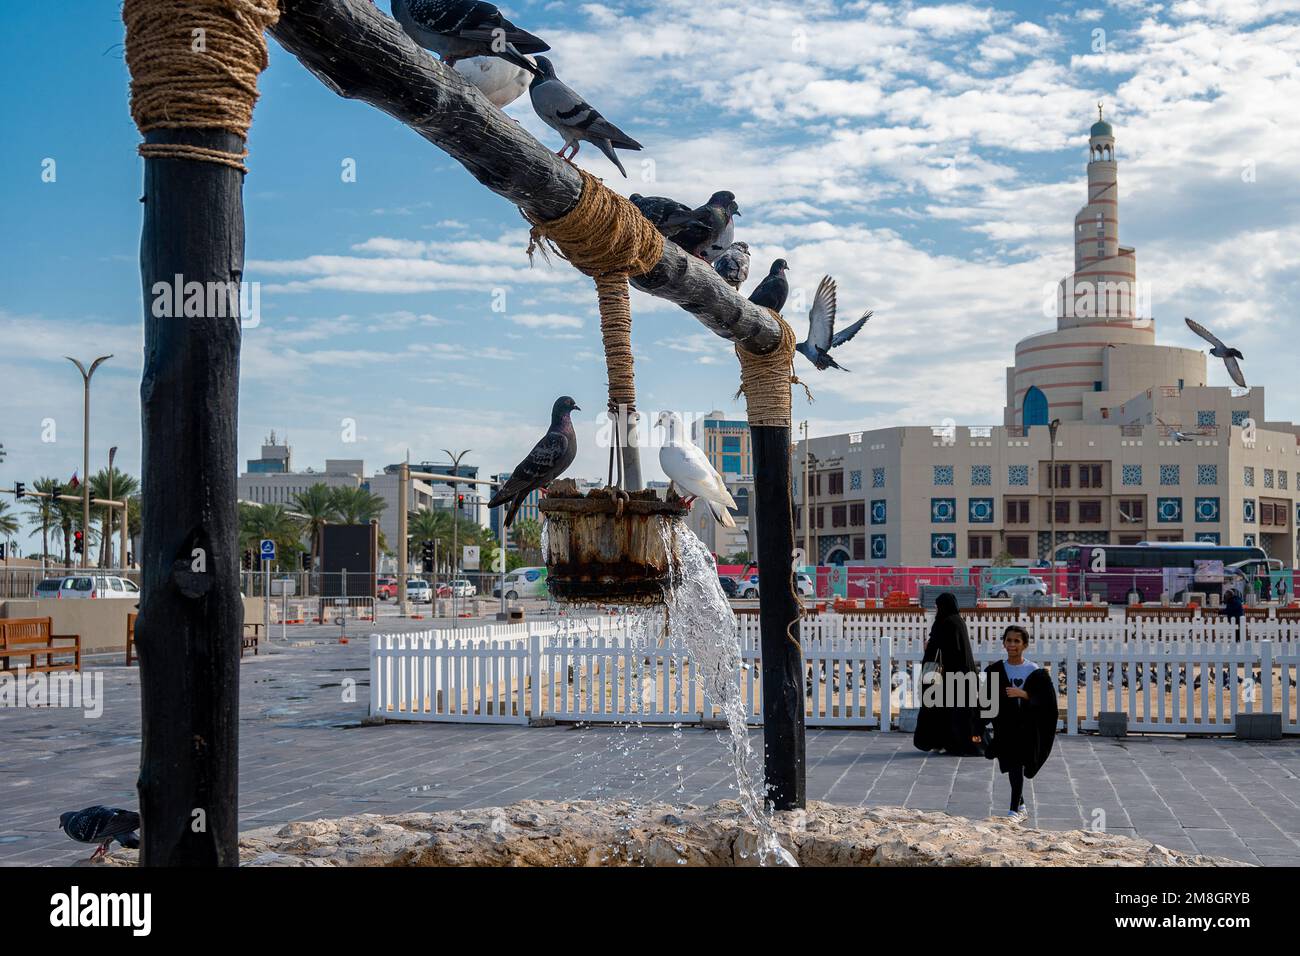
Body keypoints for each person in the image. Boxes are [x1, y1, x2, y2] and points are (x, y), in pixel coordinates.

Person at [983, 626, 1057, 818]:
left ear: (1024, 644)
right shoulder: (997, 669)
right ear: (1004, 643)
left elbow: (1047, 701)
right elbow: (986, 700)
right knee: (1010, 765)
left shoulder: (1034, 670)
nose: (1012, 645)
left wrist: (1024, 694)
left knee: (1017, 764)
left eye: (1017, 641)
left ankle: (1014, 810)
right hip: (1004, 726)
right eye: (1009, 640)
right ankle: (1021, 805)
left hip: (1026, 727)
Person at [913, 592, 982, 756]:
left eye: (937, 607)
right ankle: (961, 743)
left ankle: (946, 742)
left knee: (943, 709)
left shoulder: (943, 622)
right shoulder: (959, 621)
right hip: (965, 673)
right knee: (961, 712)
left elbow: (934, 647)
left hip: (948, 675)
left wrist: (928, 647)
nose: (936, 610)